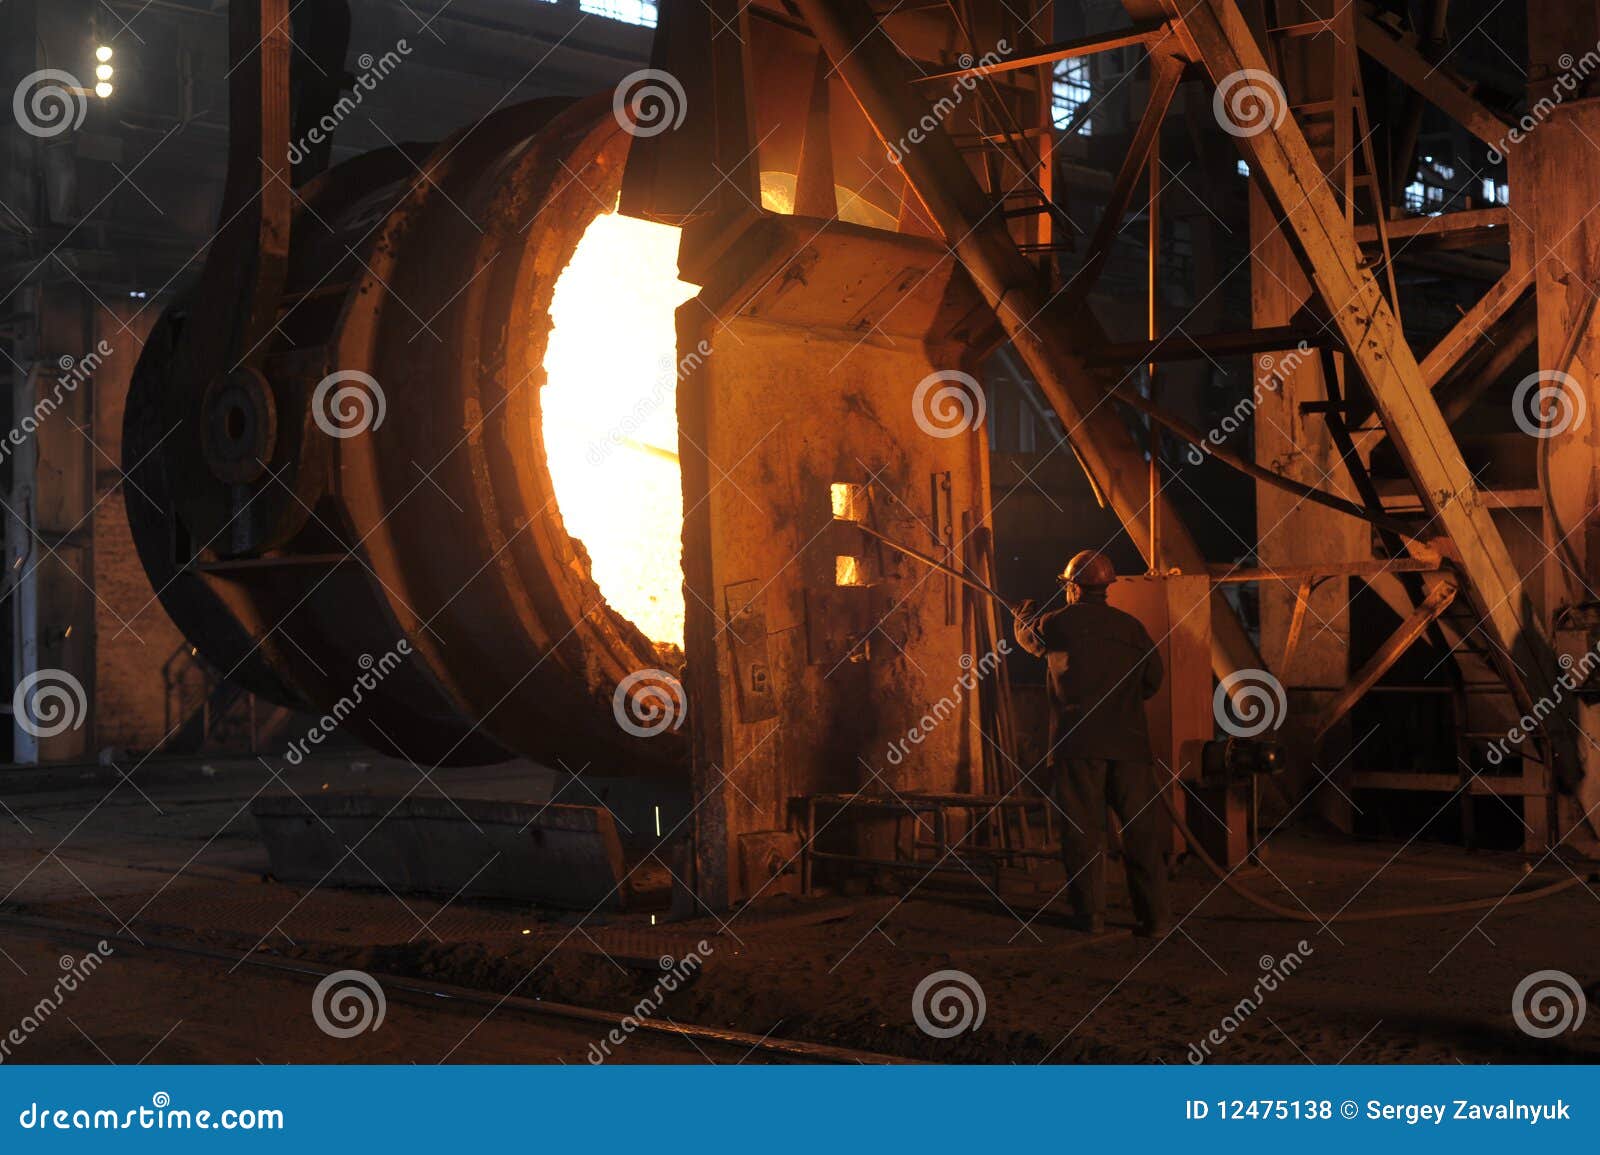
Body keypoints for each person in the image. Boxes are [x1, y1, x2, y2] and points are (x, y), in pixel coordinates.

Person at [1013, 549, 1171, 937]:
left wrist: (1021, 612)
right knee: (1142, 835)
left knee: (1083, 832)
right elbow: (1153, 680)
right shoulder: (1132, 628)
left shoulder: (1057, 624)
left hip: (1078, 745)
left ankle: (1092, 917)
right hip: (1130, 747)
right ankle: (1155, 920)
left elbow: (1026, 637)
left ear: (1072, 587)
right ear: (1106, 587)